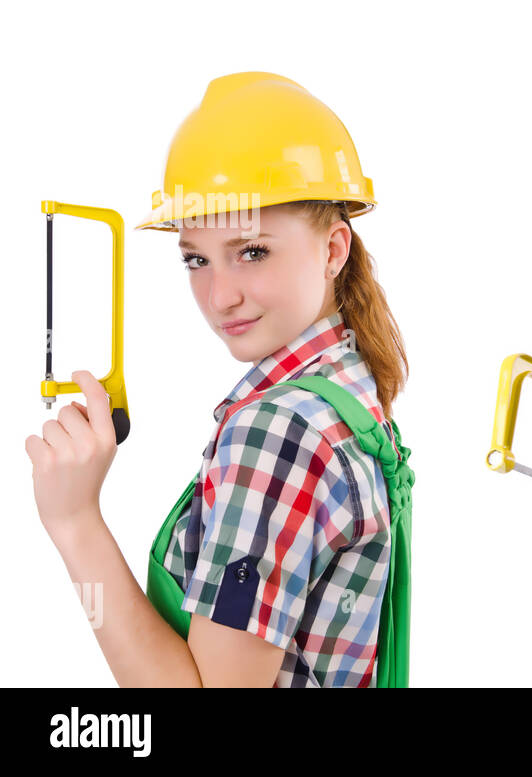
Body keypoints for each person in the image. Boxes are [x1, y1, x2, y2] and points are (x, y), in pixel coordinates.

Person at [25, 72, 413, 687]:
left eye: (252, 251)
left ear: (334, 249)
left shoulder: (278, 432)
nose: (220, 296)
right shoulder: (347, 383)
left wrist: (74, 522)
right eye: (196, 259)